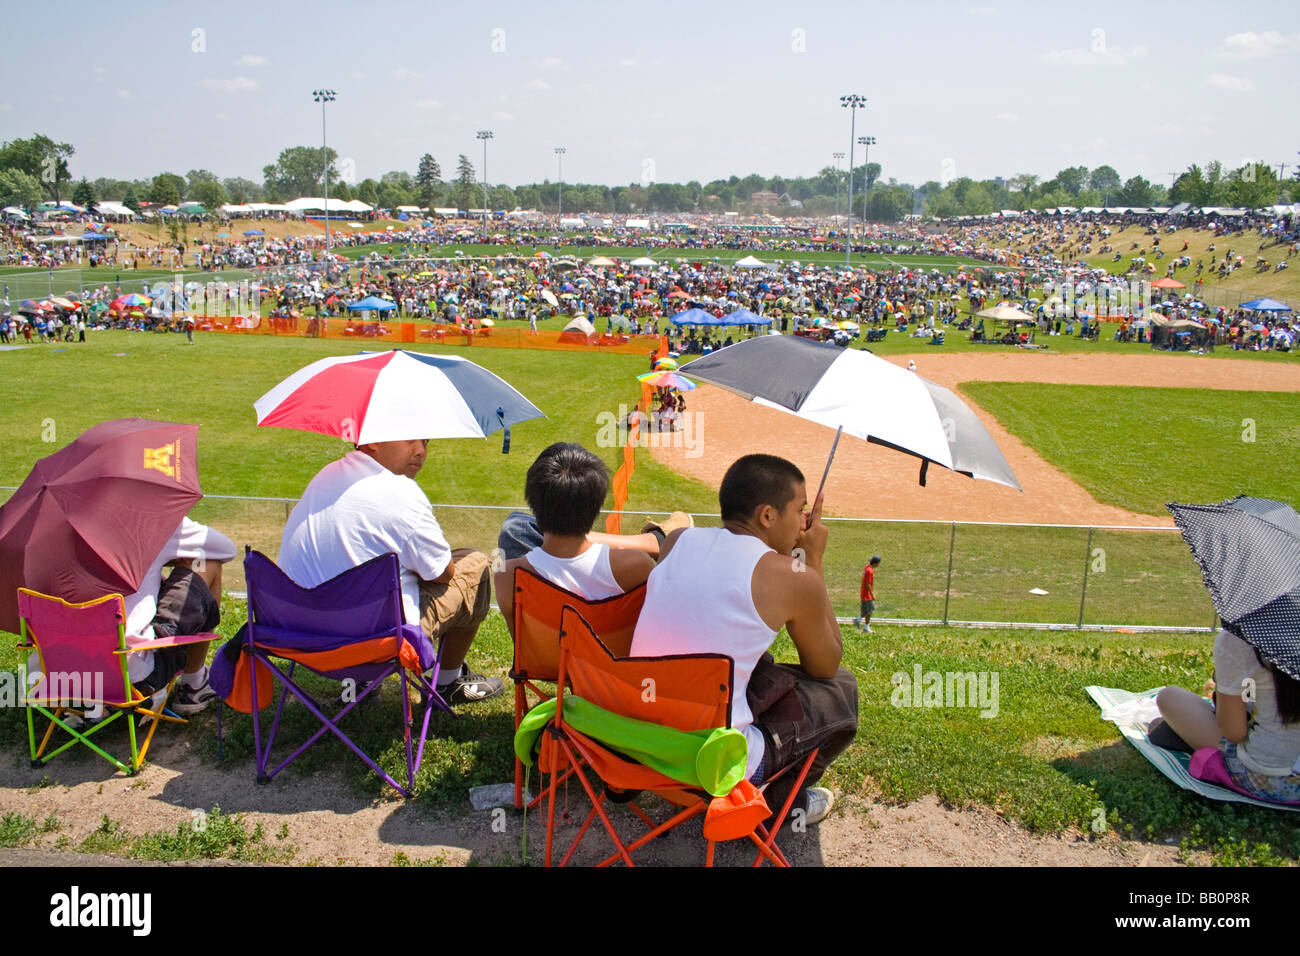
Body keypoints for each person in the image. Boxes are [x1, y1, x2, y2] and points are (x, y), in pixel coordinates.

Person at [631, 454, 858, 827]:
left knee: (763, 669)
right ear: (767, 516)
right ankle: (782, 806)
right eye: (800, 510)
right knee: (841, 688)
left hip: (645, 737)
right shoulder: (793, 576)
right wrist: (812, 558)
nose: (804, 523)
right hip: (714, 763)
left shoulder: (677, 540)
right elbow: (825, 665)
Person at [278, 439, 504, 706]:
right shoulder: (402, 493)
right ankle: (446, 683)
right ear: (373, 442)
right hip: (377, 643)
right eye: (411, 440)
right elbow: (441, 572)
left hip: (299, 638)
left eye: (426, 442)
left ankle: (361, 684)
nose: (421, 451)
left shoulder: (325, 476)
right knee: (475, 564)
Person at [494, 443, 655, 633]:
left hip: (542, 663)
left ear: (532, 500)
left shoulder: (507, 576)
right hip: (608, 662)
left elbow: (519, 637)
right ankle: (656, 540)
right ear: (596, 504)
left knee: (516, 523)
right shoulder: (636, 566)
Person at [1154, 629, 1300, 803]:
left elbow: (1235, 733)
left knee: (1170, 697)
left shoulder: (1239, 639)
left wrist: (1225, 692)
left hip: (1268, 777)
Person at [127, 519, 236, 714]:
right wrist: (169, 553)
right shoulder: (145, 517)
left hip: (72, 678)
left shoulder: (59, 525)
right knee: (204, 560)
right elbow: (226, 548)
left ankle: (86, 708)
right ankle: (193, 684)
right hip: (137, 677)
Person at [854, 555, 881, 633]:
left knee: (866, 611)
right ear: (875, 563)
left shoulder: (867, 568)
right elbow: (868, 584)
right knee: (869, 612)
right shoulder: (870, 571)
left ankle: (858, 620)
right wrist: (872, 595)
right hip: (867, 594)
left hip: (864, 593)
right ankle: (866, 628)